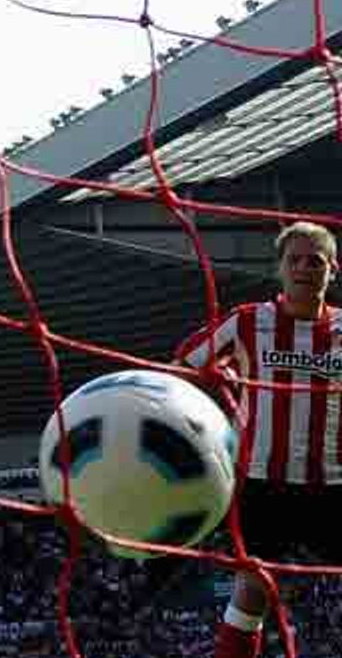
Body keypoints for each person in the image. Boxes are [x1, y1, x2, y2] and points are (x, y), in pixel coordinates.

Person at [177, 221, 342, 658]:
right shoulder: (249, 321)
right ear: (280, 270)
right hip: (263, 482)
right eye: (296, 260)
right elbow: (185, 364)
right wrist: (206, 422)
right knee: (253, 590)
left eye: (316, 261)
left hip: (334, 484)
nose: (306, 268)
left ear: (332, 271)